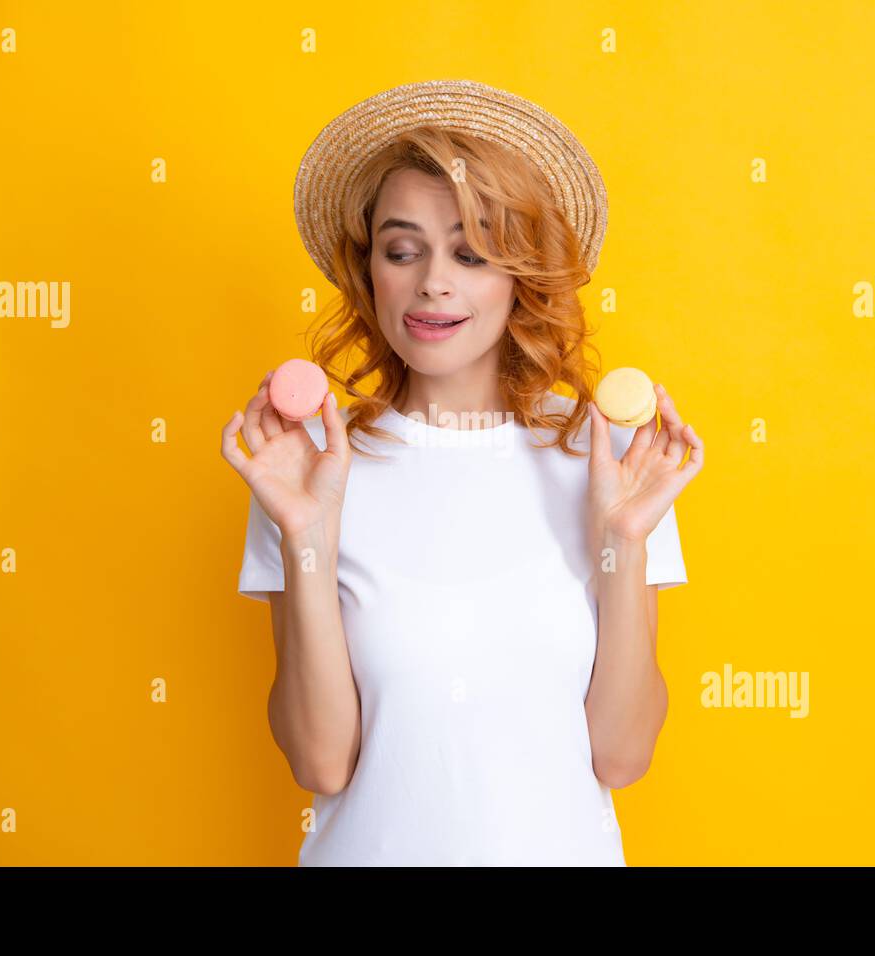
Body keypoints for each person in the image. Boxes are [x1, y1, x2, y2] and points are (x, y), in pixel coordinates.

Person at [219, 80, 704, 866]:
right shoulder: (309, 467)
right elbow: (320, 762)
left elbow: (622, 755)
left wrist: (622, 540)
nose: (432, 282)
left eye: (472, 253)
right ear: (368, 270)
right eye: (402, 250)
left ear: (521, 275)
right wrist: (305, 535)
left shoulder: (606, 459)